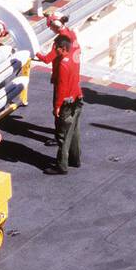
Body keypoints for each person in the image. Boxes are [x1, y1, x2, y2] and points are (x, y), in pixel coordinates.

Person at [36, 31, 84, 175]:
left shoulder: (63, 65)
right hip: (77, 98)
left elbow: (61, 88)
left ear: (62, 49)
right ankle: (75, 159)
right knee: (74, 131)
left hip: (66, 103)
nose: (54, 50)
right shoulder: (74, 54)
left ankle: (62, 165)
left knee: (63, 136)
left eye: (56, 48)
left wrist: (57, 107)